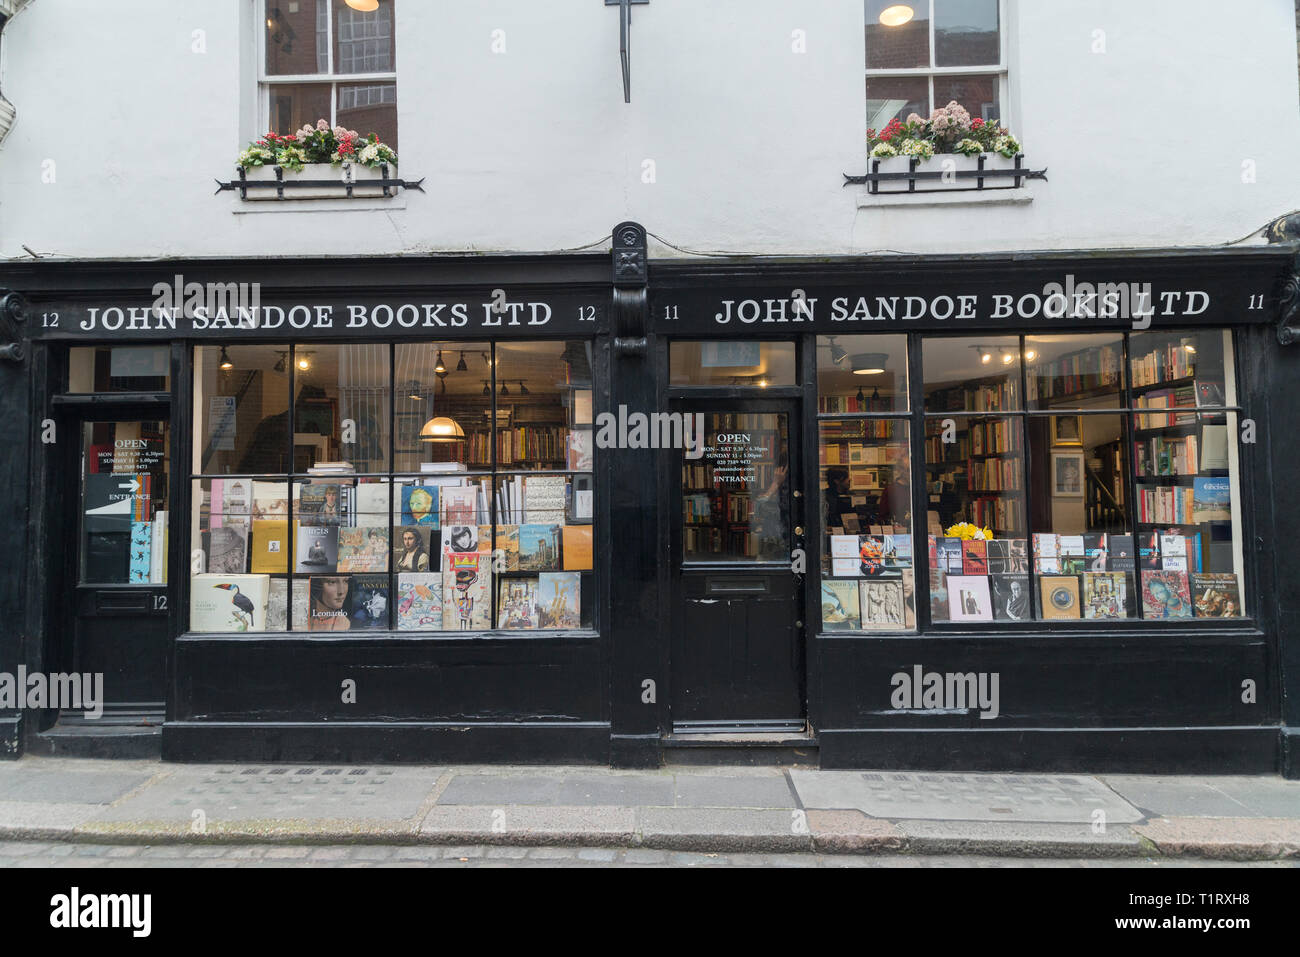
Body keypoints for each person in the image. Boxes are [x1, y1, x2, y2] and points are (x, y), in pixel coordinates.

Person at [874, 446, 912, 530]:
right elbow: (882, 517)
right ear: (900, 470)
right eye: (908, 470)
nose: (911, 473)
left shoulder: (917, 489)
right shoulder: (890, 490)